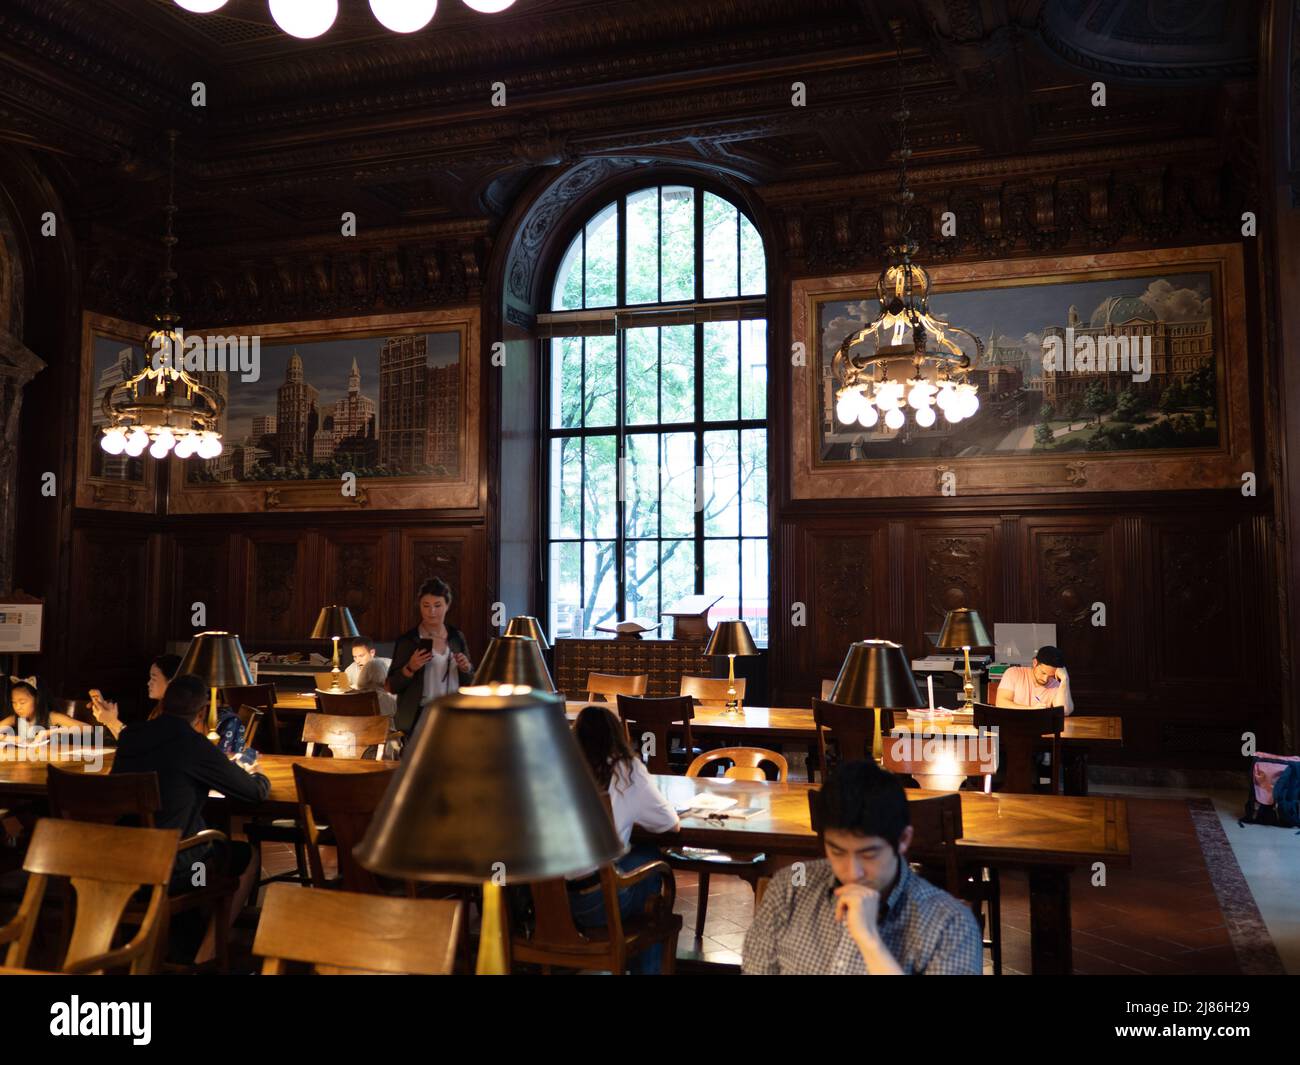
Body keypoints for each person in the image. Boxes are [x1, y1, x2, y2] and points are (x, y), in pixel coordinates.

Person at [742, 761, 982, 975]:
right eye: (836, 851)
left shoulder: (950, 924)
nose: (851, 872)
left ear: (903, 840)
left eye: (868, 854)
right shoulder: (791, 886)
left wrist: (870, 942)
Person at [112, 672, 269, 966]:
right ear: (200, 713)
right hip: (173, 864)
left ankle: (172, 936)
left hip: (120, 856)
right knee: (244, 854)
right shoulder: (194, 745)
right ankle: (205, 956)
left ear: (163, 705)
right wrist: (258, 774)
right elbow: (253, 793)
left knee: (197, 843)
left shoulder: (130, 736)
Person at [568, 704, 680, 974]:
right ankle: (642, 966)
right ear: (618, 735)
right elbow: (669, 824)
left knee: (637, 853)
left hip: (553, 902)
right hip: (597, 903)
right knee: (653, 867)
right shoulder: (626, 771)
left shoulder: (558, 772)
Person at [388, 578, 473, 736]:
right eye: (426, 606)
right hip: (420, 715)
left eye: (437, 605)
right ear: (419, 606)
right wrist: (410, 668)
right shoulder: (409, 640)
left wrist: (466, 668)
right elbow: (392, 686)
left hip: (454, 713)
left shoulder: (456, 637)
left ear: (447, 606)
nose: (431, 611)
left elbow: (470, 680)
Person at [88, 653, 183, 740]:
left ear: (171, 683)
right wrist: (108, 719)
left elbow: (143, 746)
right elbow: (131, 744)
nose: (148, 683)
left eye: (153, 678)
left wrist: (112, 721)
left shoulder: (176, 714)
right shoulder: (159, 708)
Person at [0, 677, 87, 742]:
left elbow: (87, 728)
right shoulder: (15, 718)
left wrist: (50, 732)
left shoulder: (52, 717)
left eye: (22, 702)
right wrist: (6, 738)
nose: (17, 707)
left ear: (37, 700)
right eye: (14, 702)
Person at [995, 645, 1073, 715]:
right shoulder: (1014, 673)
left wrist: (1065, 679)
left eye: (1051, 676)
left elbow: (1064, 711)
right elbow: (1001, 703)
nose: (1045, 679)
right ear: (1035, 663)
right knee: (984, 729)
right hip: (1012, 725)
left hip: (1040, 729)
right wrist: (1032, 709)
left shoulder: (1055, 685)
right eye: (1043, 673)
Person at [346, 636, 396, 716]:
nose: (357, 661)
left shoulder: (389, 665)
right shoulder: (350, 669)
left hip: (384, 713)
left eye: (361, 656)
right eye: (355, 657)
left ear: (372, 653)